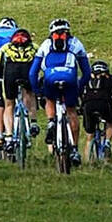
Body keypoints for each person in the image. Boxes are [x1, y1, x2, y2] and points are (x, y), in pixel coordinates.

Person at [29, 19, 92, 164]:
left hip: (50, 78)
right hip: (70, 79)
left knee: (50, 99)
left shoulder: (45, 44)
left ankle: (51, 122)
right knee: (71, 111)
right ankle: (75, 150)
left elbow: (33, 73)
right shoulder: (76, 43)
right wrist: (80, 88)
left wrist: (37, 91)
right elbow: (87, 73)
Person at [0, 27, 39, 152]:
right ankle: (33, 122)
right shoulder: (34, 46)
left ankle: (8, 136)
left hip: (10, 74)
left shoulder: (6, 47)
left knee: (9, 104)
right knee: (30, 94)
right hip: (27, 73)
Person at [80, 60, 112, 160]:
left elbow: (80, 94)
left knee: (89, 137)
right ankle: (107, 143)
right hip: (105, 104)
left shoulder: (85, 79)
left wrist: (80, 109)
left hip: (88, 106)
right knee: (110, 121)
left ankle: (87, 162)